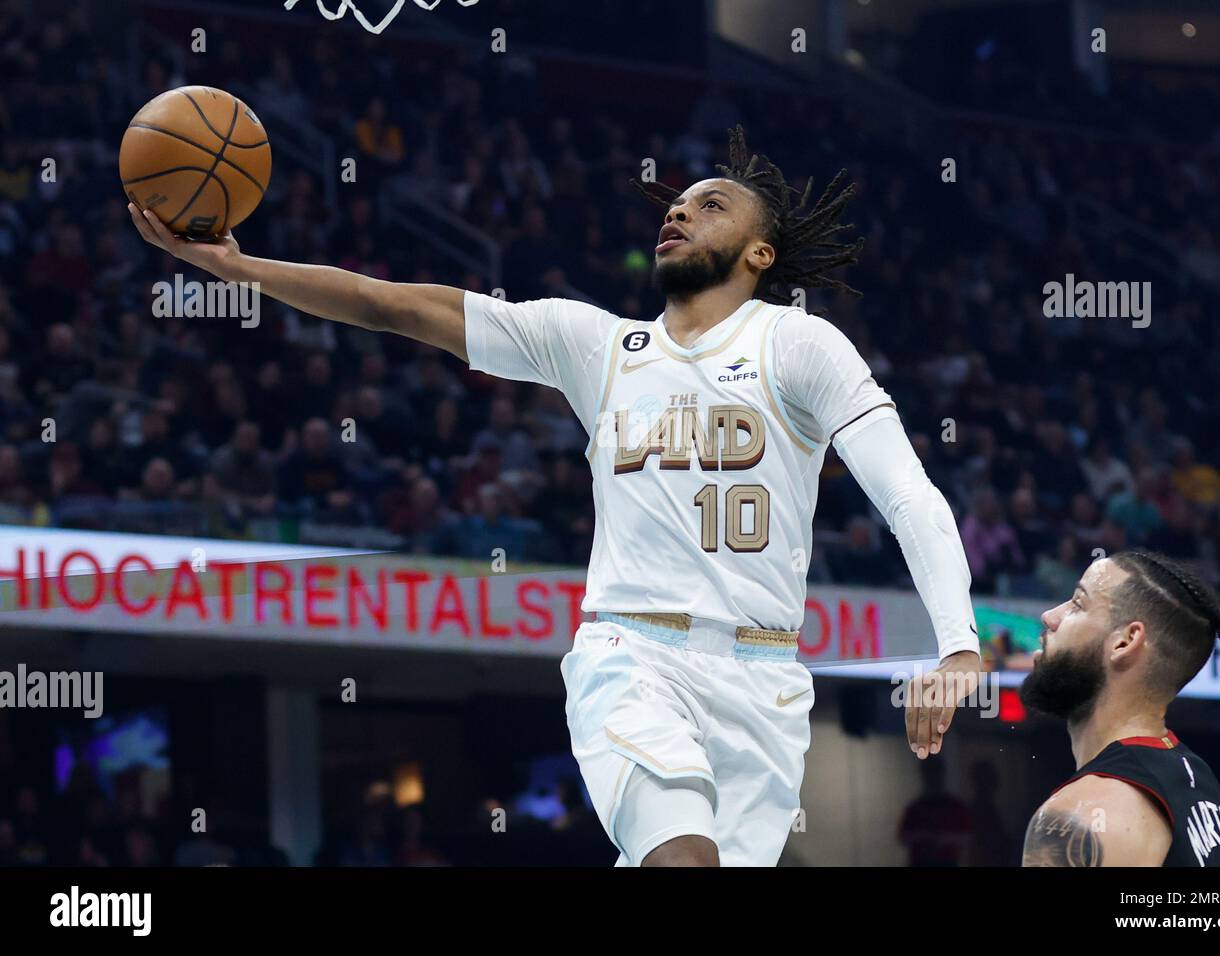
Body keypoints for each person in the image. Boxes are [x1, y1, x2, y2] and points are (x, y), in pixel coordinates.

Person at [127, 125, 982, 867]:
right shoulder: (598, 346)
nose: (678, 212)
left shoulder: (798, 345)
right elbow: (391, 306)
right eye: (674, 204)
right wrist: (239, 269)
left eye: (710, 204)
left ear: (761, 254)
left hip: (764, 680)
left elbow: (907, 493)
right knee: (682, 857)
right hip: (633, 657)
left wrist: (958, 645)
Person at [1020, 549, 1220, 867]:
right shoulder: (1199, 782)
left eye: (1078, 603)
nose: (1051, 616)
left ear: (1125, 641)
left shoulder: (1081, 813)